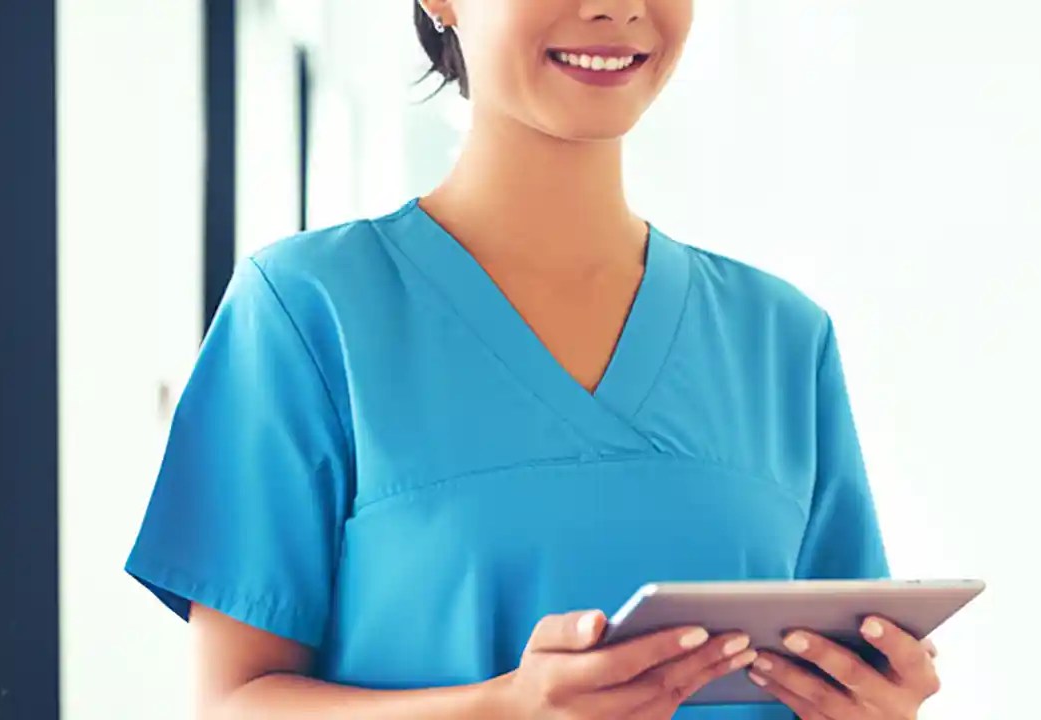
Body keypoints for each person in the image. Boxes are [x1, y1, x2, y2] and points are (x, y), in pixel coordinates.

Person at [125, 1, 943, 718]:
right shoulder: (307, 313)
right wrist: (500, 713)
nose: (617, 7)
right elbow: (233, 705)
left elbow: (831, 675)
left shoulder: (784, 341)